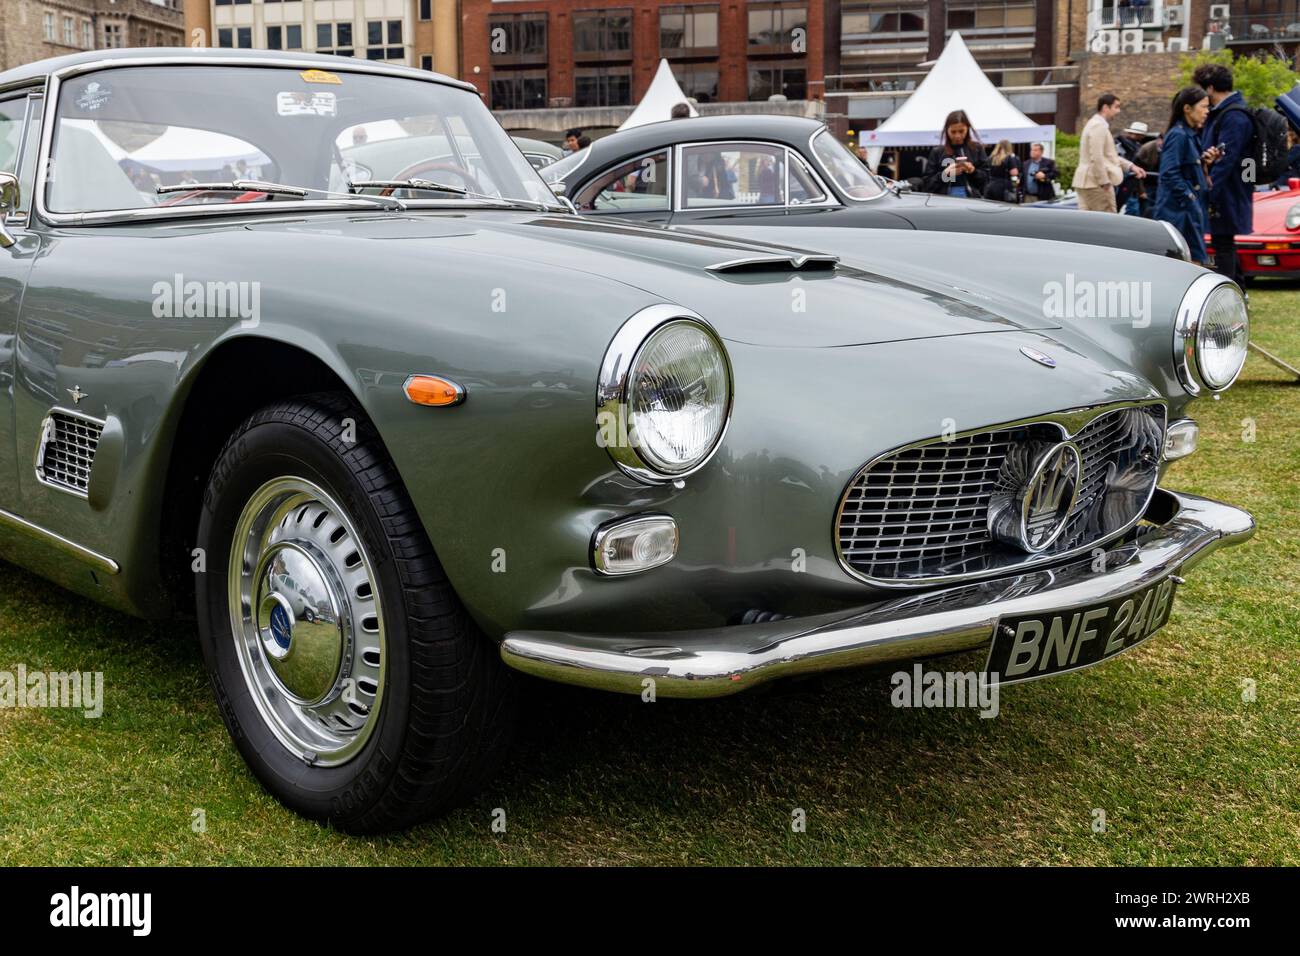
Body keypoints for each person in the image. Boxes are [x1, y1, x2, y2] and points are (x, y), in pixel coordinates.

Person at [1195, 63, 1253, 288]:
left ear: (1210, 89)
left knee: (1224, 244)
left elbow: (1226, 158)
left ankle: (1229, 296)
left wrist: (1209, 190)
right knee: (1225, 243)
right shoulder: (1228, 113)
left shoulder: (1233, 115)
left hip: (1228, 190)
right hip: (1230, 187)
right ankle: (1239, 291)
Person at [1154, 87, 1212, 266]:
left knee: (1194, 262)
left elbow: (1186, 168)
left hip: (1188, 211)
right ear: (1187, 108)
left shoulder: (1191, 135)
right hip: (1179, 212)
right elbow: (1169, 173)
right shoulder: (1178, 135)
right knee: (1189, 264)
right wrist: (1190, 198)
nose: (1207, 112)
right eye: (1203, 107)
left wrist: (1204, 161)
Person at [1072, 93, 1146, 213]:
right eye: (1116, 107)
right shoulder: (1098, 126)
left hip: (1087, 182)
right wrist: (1104, 182)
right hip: (1096, 183)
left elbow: (1106, 155)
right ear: (1105, 108)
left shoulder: (1093, 124)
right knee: (1106, 224)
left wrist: (1131, 166)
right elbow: (1096, 157)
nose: (1118, 111)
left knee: (1088, 226)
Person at [921, 109, 989, 198]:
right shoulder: (937, 152)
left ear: (967, 129)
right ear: (947, 130)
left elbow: (987, 180)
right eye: (953, 132)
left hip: (972, 200)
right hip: (944, 202)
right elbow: (927, 185)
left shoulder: (976, 149)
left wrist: (973, 171)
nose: (957, 136)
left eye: (961, 131)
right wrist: (946, 174)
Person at [1116, 120, 1154, 215]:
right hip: (1129, 182)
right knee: (1132, 209)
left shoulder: (1123, 144)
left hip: (1126, 182)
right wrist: (1141, 191)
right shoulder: (1131, 147)